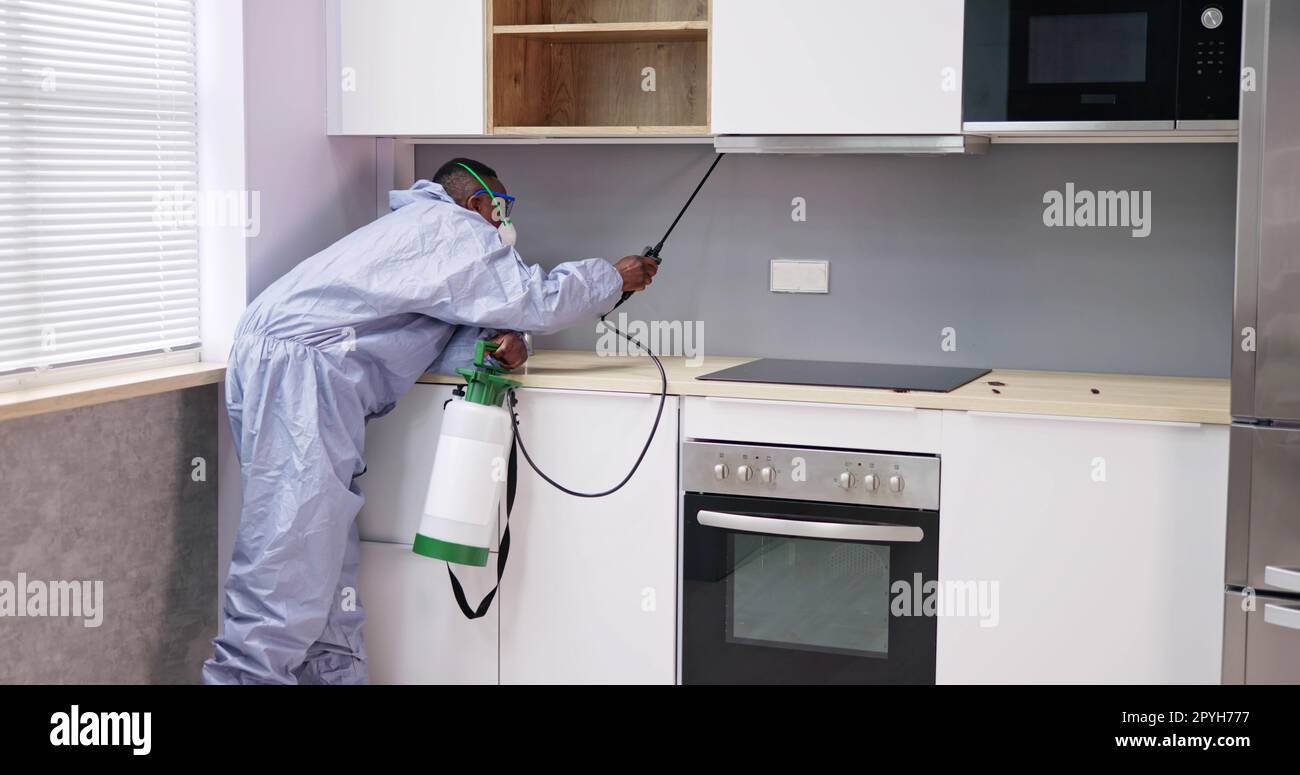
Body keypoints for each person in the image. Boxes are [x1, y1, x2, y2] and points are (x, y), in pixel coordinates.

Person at [202, 158, 658, 684]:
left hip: (293, 364)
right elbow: (538, 298)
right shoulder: (451, 228)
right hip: (303, 372)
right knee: (286, 567)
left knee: (321, 568)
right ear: (476, 202)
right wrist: (612, 277)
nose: (504, 223)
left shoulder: (420, 236)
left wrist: (508, 345)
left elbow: (430, 334)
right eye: (502, 209)